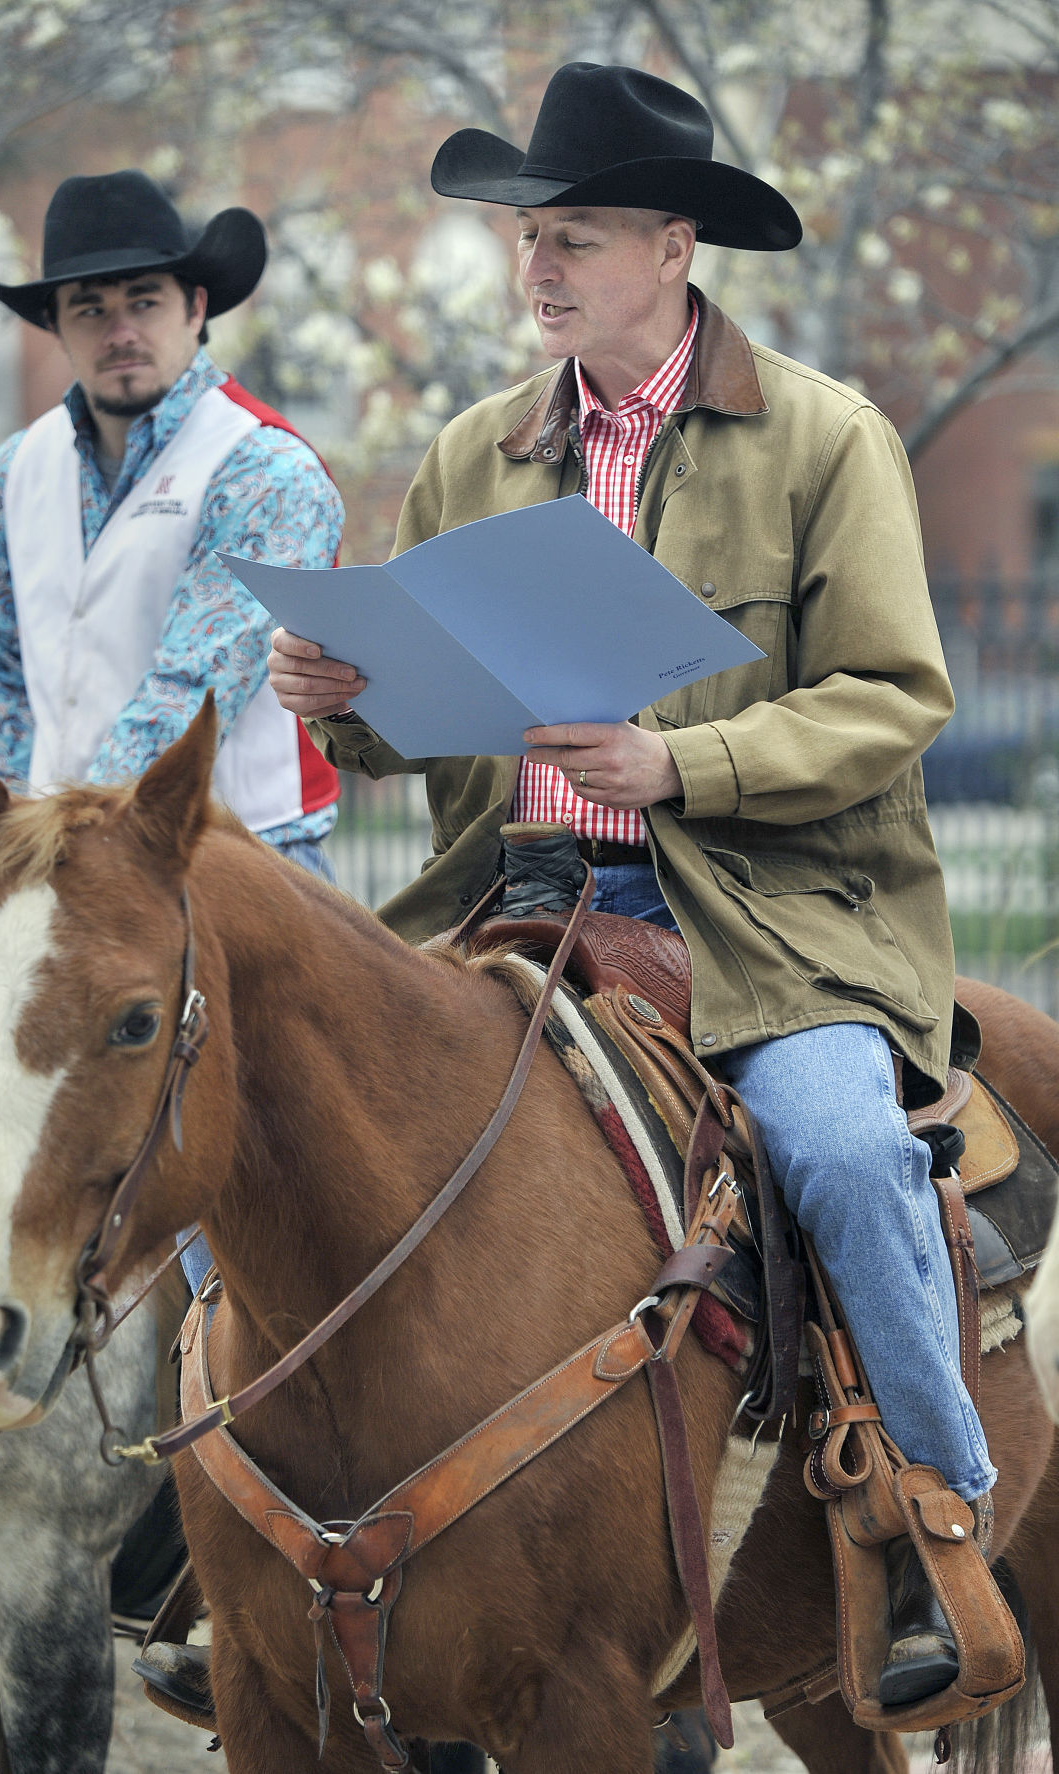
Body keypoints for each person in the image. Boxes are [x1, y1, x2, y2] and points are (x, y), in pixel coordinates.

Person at [269, 62, 993, 1706]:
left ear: (672, 245)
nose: (535, 269)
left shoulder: (823, 438)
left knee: (833, 1141)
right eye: (526, 239)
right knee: (256, 1092)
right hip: (515, 896)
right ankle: (241, 1541)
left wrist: (684, 765)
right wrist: (348, 699)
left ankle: (938, 1514)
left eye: (573, 237)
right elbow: (416, 726)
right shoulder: (470, 452)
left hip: (757, 911)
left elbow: (893, 697)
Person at [0, 168, 343, 903]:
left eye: (144, 301)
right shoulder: (9, 475)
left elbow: (192, 691)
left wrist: (46, 842)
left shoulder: (265, 468)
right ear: (56, 326)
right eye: (90, 309)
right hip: (56, 862)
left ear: (195, 308)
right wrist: (9, 833)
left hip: (244, 867)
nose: (120, 330)